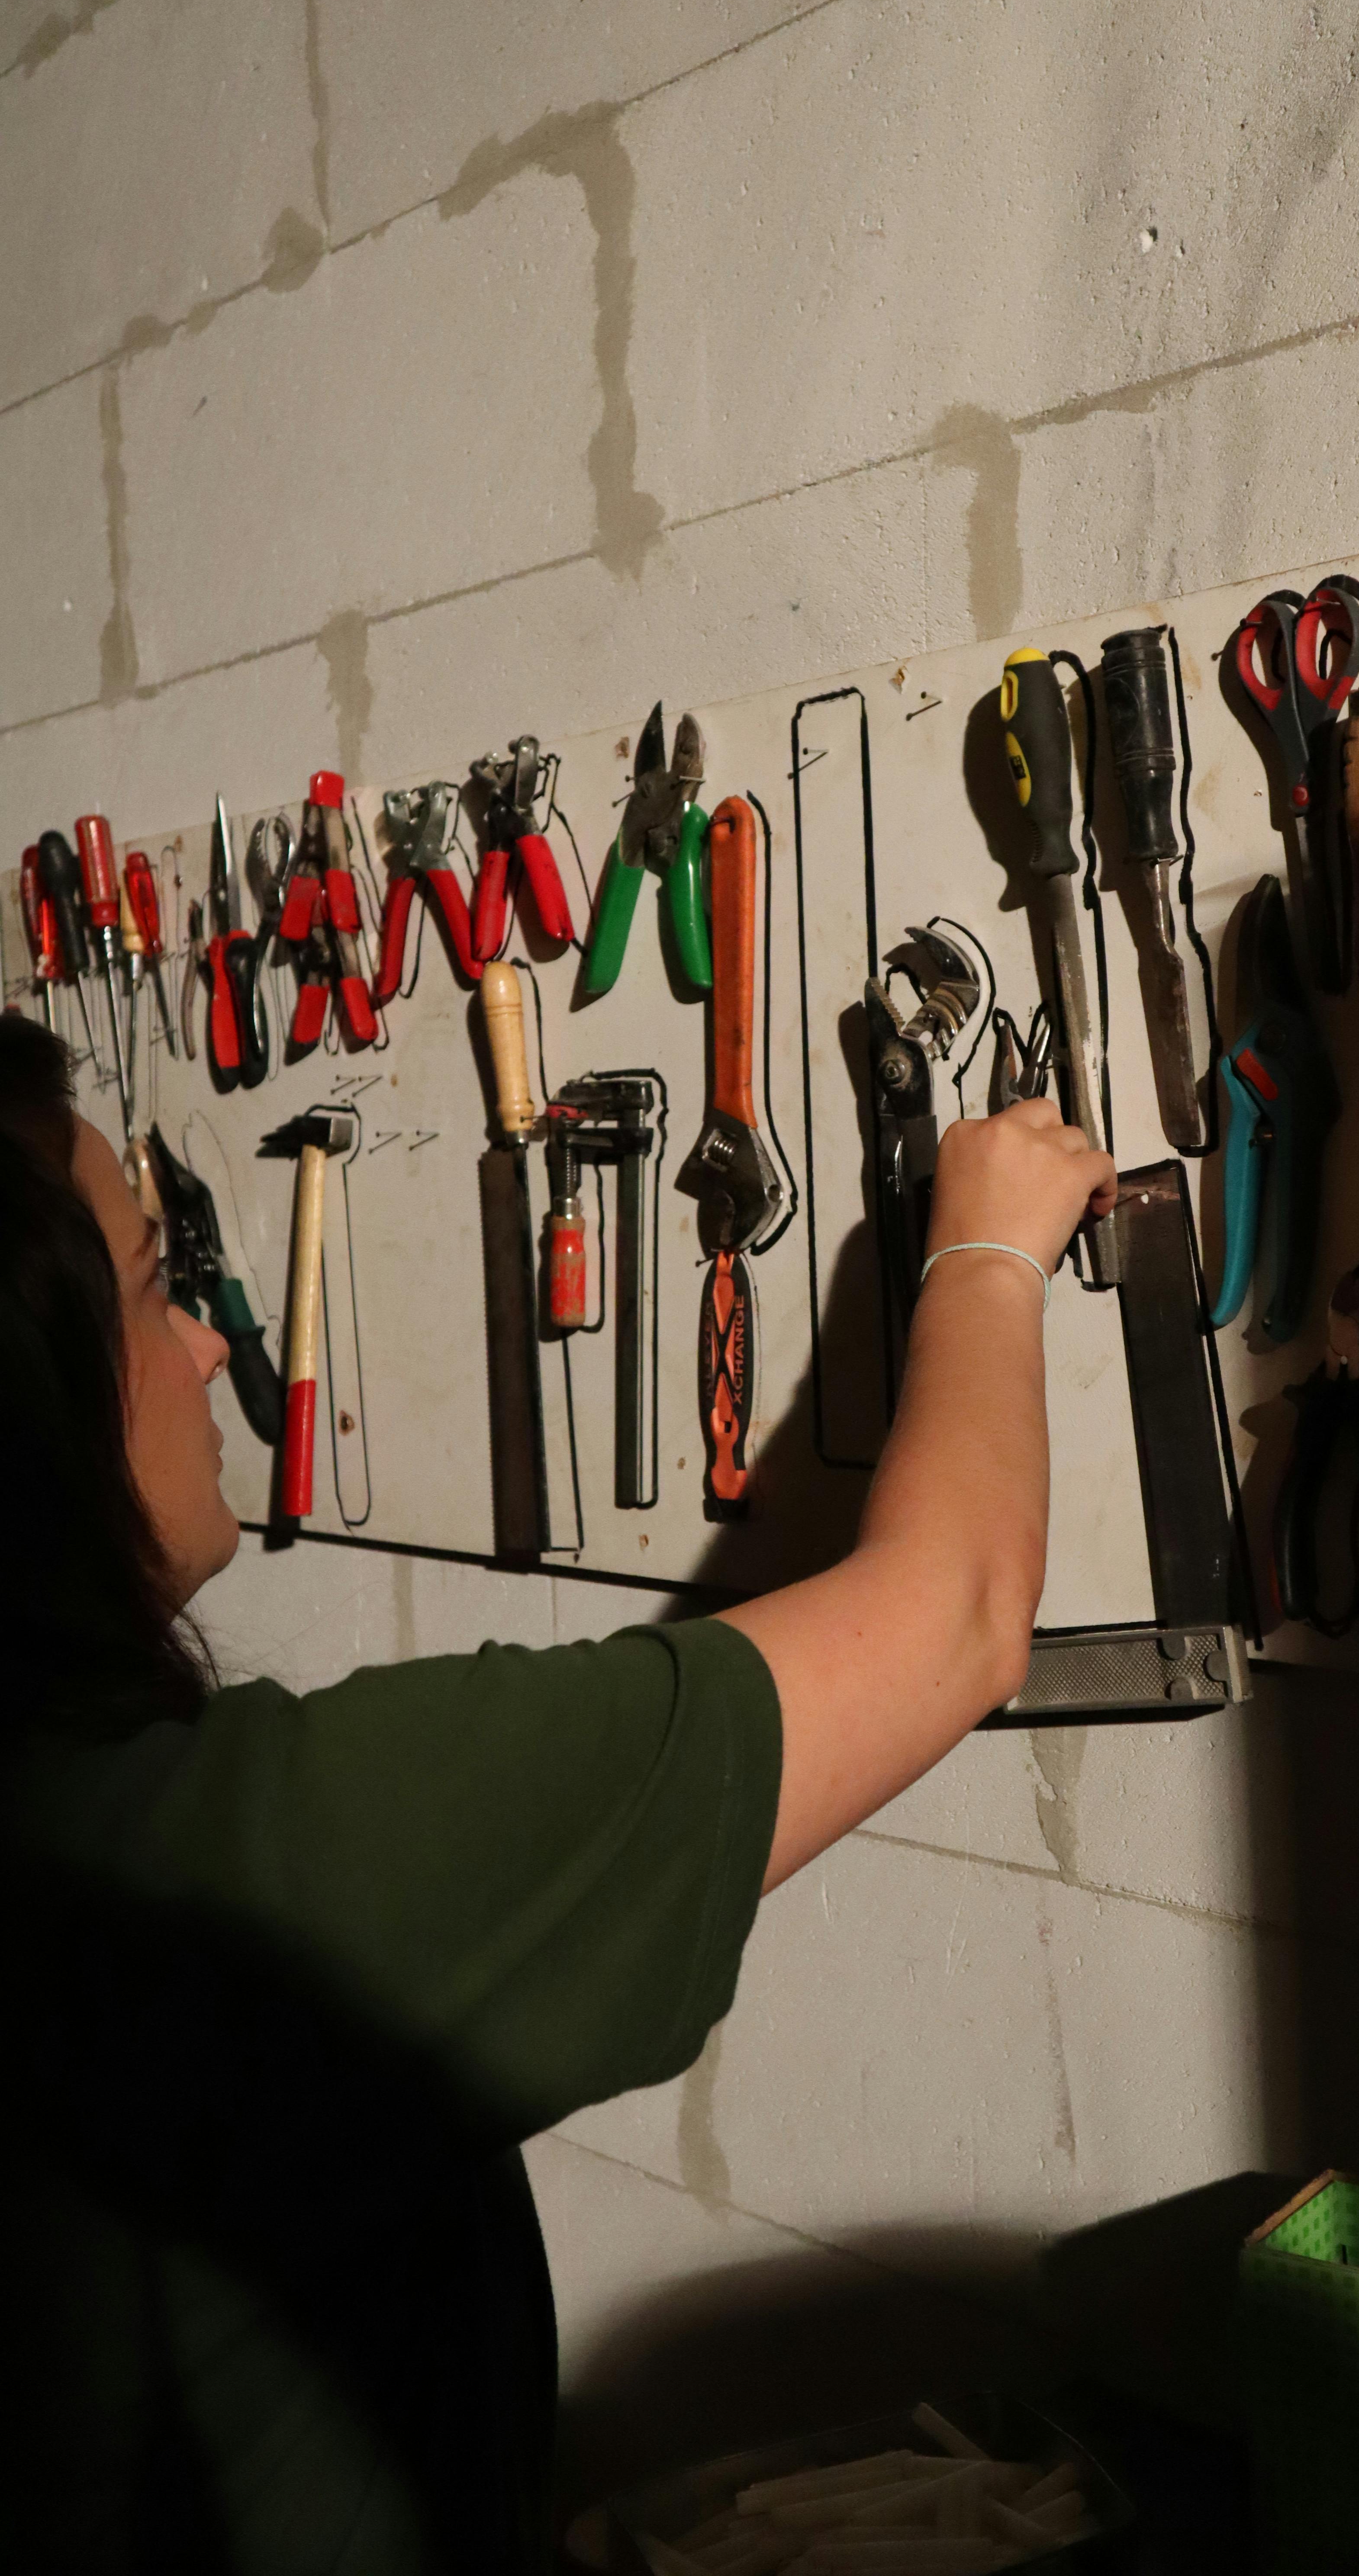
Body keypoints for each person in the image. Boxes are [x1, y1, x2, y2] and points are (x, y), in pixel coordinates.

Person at [0, 1009, 1114, 2575]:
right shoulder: (219, 1877)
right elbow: (955, 1614)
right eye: (144, 1287)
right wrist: (985, 1242)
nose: (203, 1343)